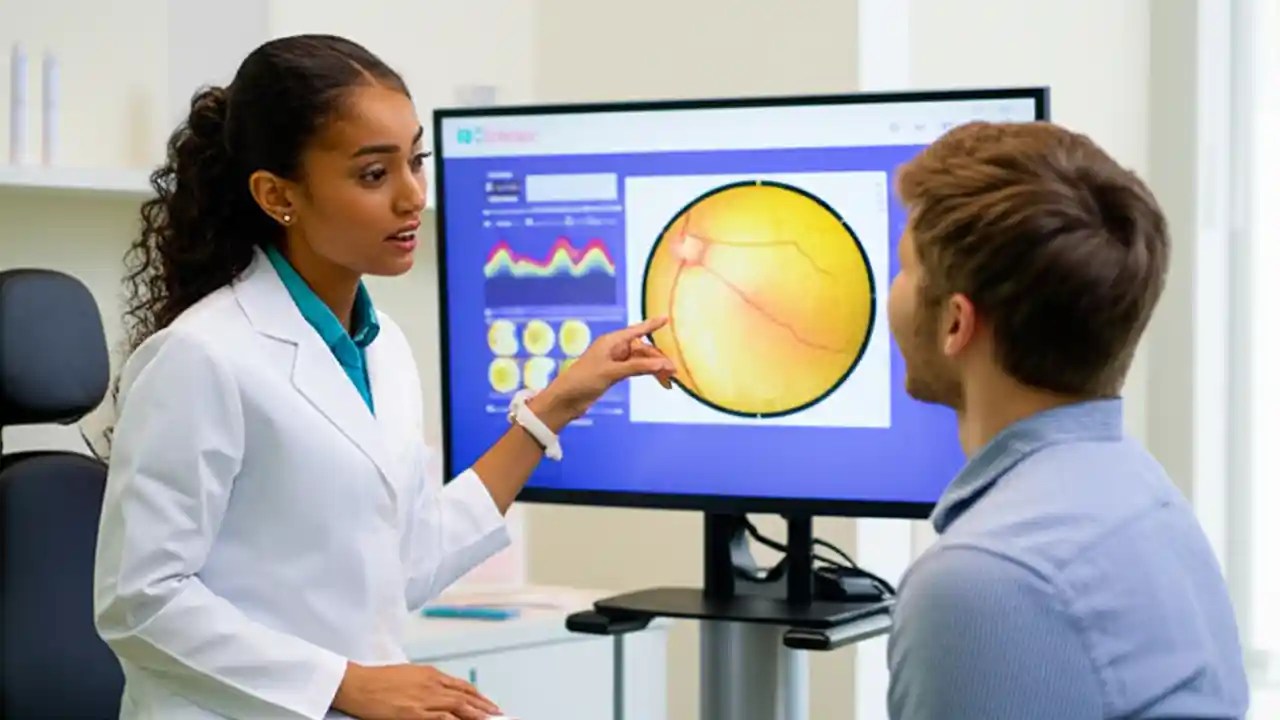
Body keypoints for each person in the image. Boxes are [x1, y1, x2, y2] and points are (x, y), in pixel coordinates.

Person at [92, 34, 674, 720]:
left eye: (416, 162)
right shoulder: (202, 355)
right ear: (279, 195)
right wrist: (347, 683)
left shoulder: (383, 348)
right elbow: (139, 600)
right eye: (374, 175)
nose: (411, 198)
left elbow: (405, 563)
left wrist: (557, 404)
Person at [884, 121, 1250, 719]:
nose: (892, 291)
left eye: (905, 268)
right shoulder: (1143, 498)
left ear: (957, 323)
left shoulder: (982, 579)